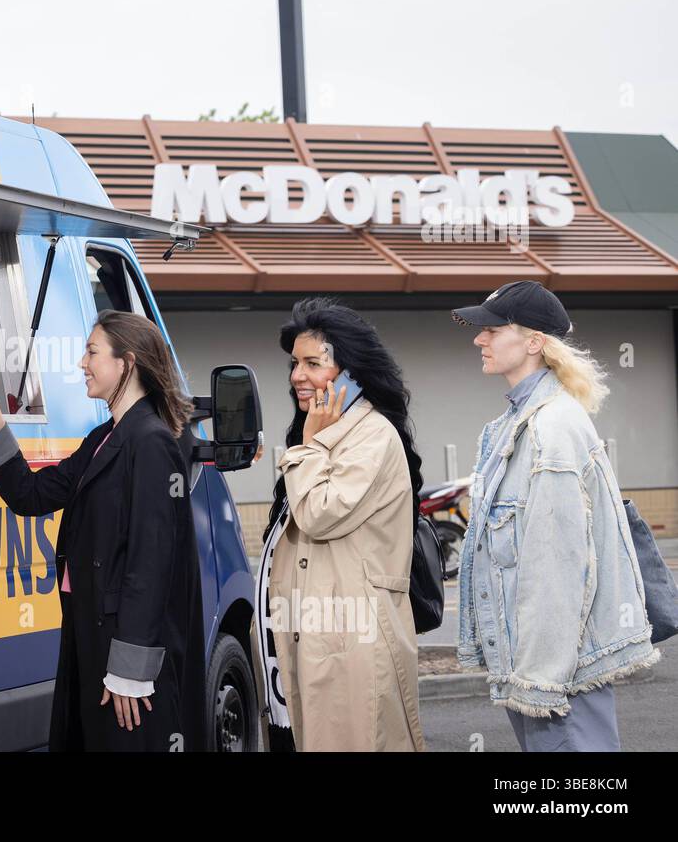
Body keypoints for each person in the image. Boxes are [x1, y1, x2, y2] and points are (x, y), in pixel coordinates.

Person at [0, 310, 206, 751]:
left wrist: (131, 670)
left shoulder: (150, 442)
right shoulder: (104, 438)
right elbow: (31, 495)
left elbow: (150, 564)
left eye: (92, 352)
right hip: (91, 637)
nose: (81, 363)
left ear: (126, 364)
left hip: (123, 656)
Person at [452, 280, 658, 751]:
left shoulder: (552, 427)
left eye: (491, 330)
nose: (478, 339)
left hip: (558, 674)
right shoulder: (514, 425)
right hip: (541, 666)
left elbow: (558, 568)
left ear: (533, 342)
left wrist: (540, 679)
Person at [259, 298, 426, 751]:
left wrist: (310, 445)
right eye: (295, 363)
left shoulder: (369, 435)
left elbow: (320, 513)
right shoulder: (332, 434)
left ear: (351, 373)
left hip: (353, 641)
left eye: (314, 363)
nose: (297, 376)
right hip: (321, 635)